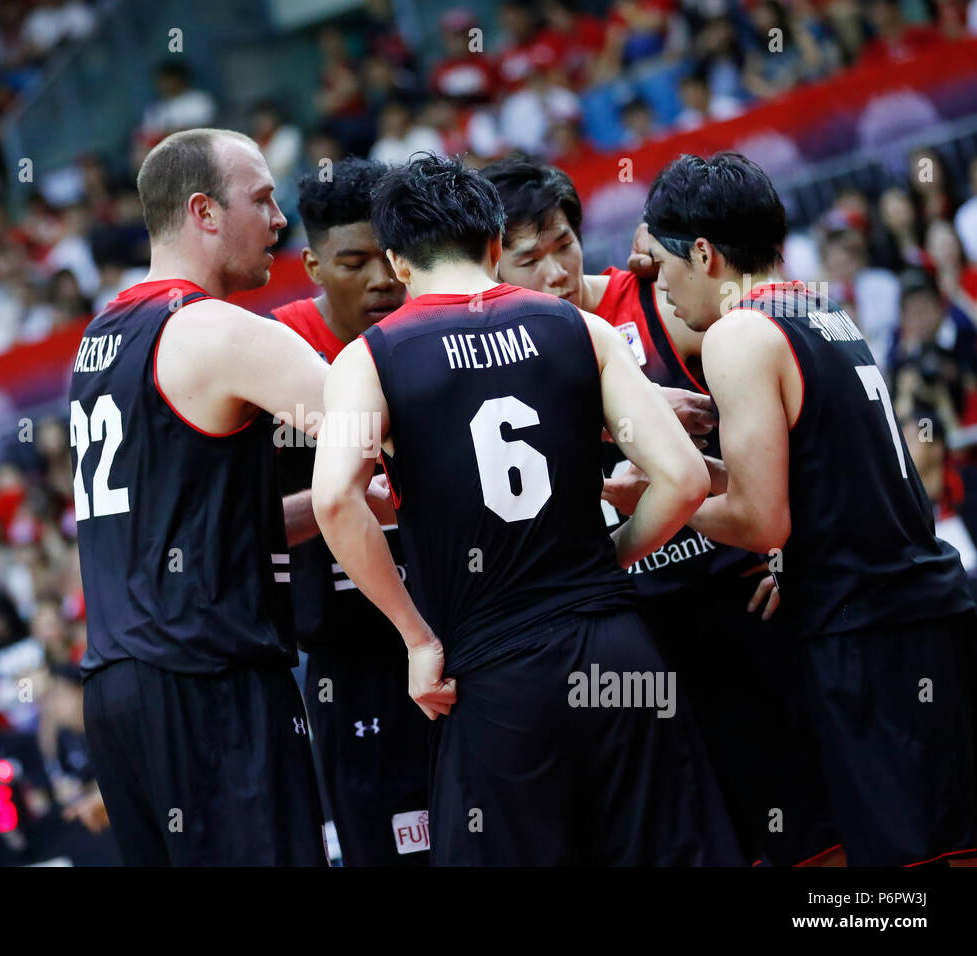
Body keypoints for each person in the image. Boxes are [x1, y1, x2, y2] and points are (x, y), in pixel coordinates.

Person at [311, 154, 738, 865]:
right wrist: (616, 555)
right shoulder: (580, 330)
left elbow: (334, 499)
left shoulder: (371, 357)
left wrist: (418, 640)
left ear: (398, 262)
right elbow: (686, 479)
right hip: (615, 650)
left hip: (496, 677)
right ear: (490, 245)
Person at [484, 156, 842, 867]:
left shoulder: (657, 303)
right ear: (490, 265)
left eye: (564, 244)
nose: (556, 271)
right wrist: (609, 420)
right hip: (634, 631)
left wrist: (799, 540)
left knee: (810, 833)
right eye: (530, 258)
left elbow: (801, 406)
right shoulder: (492, 357)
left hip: (737, 602)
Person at [628, 151, 977, 866]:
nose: (660, 287)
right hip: (924, 609)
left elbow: (761, 521)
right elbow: (813, 475)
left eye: (662, 265)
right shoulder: (818, 306)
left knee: (903, 877)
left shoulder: (739, 333)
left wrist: (667, 495)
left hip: (869, 631)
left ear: (702, 252)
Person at [73, 128, 389, 866]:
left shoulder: (103, 335)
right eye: (262, 199)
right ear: (203, 213)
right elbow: (380, 429)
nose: (279, 220)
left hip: (120, 693)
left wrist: (343, 503)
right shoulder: (214, 328)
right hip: (208, 685)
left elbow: (204, 531)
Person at [272, 158, 430, 866]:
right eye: (354, 261)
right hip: (349, 658)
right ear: (311, 264)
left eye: (391, 257)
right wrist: (349, 501)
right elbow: (245, 526)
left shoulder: (440, 324)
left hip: (462, 629)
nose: (380, 279)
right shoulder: (270, 357)